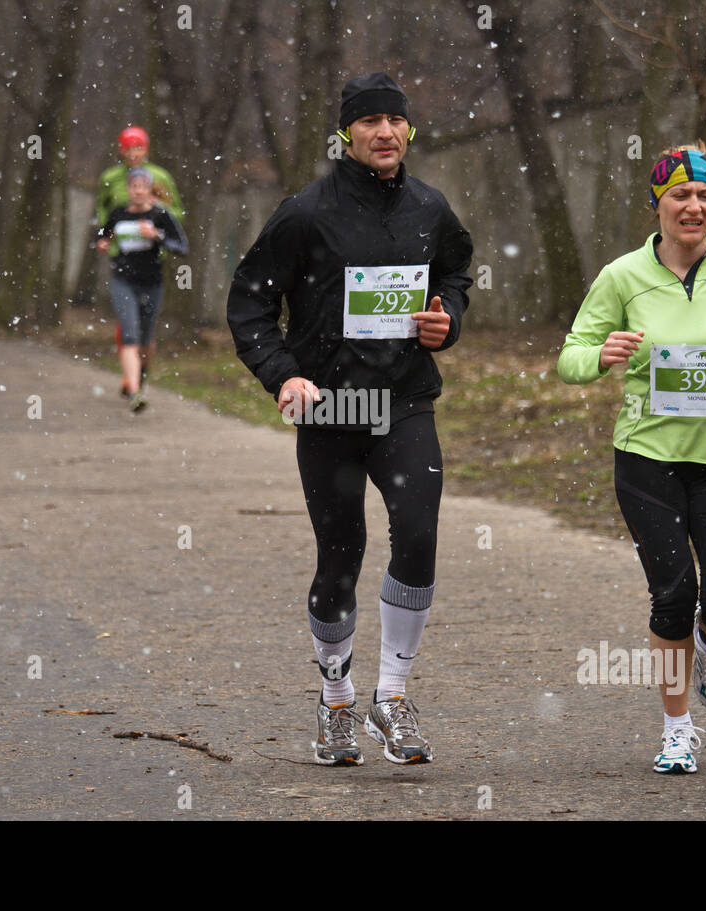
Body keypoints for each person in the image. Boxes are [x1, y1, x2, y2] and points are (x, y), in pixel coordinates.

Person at [227, 73, 474, 766]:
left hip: (404, 401)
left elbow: (457, 271)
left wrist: (446, 319)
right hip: (332, 409)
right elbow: (248, 304)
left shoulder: (430, 206)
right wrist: (284, 374)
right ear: (347, 133)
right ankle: (336, 697)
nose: (386, 132)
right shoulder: (304, 213)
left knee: (419, 532)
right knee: (340, 558)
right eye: (370, 122)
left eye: (396, 120)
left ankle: (391, 697)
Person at [556, 142, 706, 775]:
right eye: (680, 196)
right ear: (656, 204)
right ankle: (676, 728)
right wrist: (601, 356)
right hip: (646, 461)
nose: (693, 206)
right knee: (671, 595)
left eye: (705, 196)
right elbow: (569, 356)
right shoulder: (622, 276)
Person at [96, 168, 188, 411]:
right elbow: (102, 234)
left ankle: (142, 374)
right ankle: (135, 392)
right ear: (128, 190)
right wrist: (104, 242)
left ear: (149, 190)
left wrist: (156, 235)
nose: (137, 191)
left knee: (145, 339)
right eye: (133, 186)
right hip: (122, 279)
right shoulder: (118, 214)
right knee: (129, 334)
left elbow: (181, 246)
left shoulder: (160, 215)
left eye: (142, 186)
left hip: (152, 282)